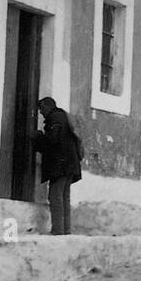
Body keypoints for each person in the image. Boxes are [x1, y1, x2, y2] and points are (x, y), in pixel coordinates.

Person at [33, 97, 84, 235]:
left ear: (48, 106)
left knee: (55, 196)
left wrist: (38, 138)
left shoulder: (55, 118)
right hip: (70, 165)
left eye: (42, 109)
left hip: (61, 165)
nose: (41, 113)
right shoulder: (63, 117)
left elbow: (53, 141)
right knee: (64, 197)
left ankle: (58, 230)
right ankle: (65, 230)